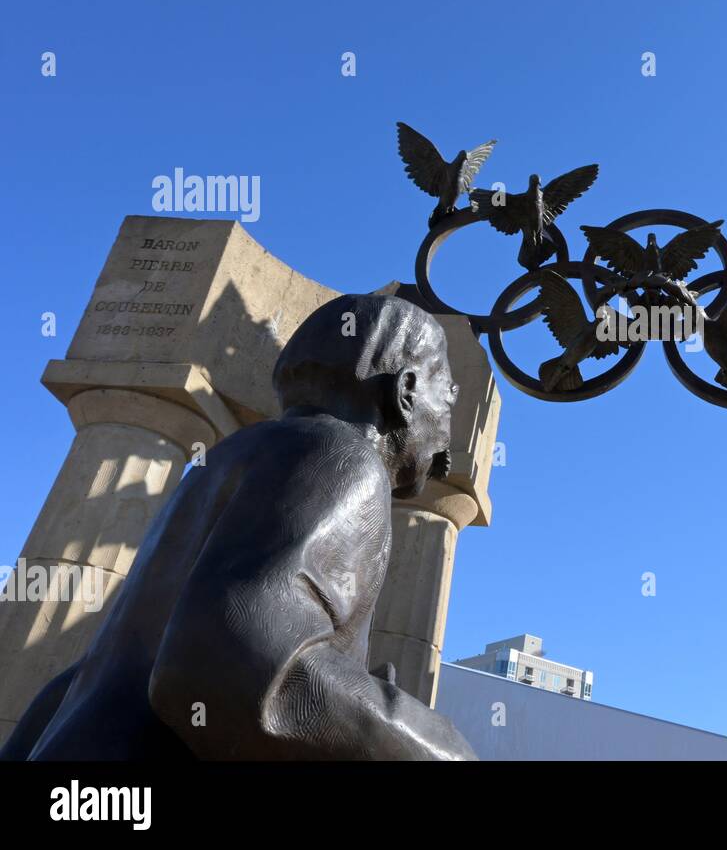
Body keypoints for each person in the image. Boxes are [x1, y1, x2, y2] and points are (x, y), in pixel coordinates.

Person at [1, 294, 476, 760]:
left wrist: (357, 688)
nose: (448, 433)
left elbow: (75, 687)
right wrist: (433, 746)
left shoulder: (224, 463)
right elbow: (224, 661)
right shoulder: (343, 457)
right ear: (407, 391)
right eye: (449, 395)